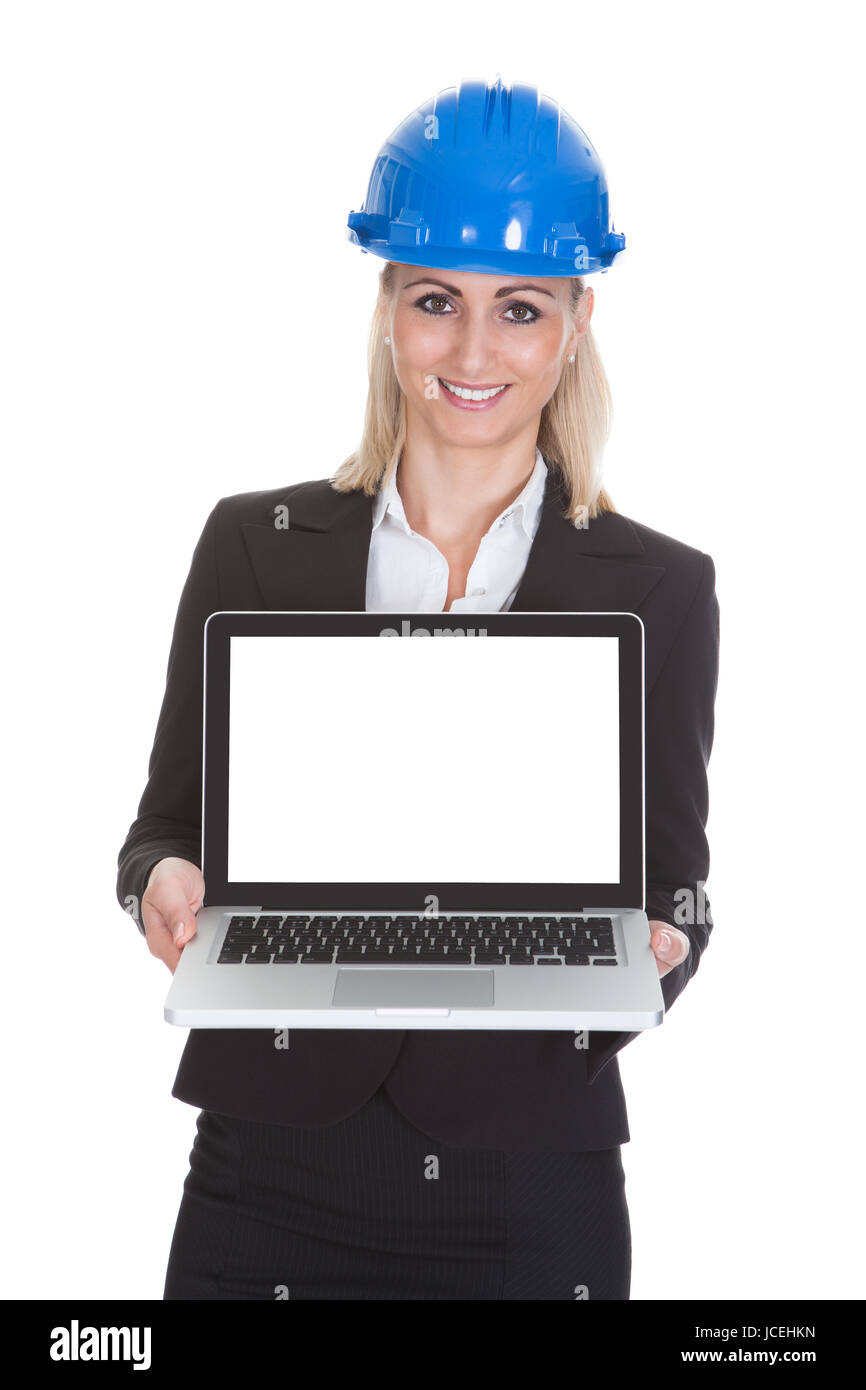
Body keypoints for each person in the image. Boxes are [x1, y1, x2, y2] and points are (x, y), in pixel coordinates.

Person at [116, 78, 719, 1301]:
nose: (473, 351)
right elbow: (163, 831)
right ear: (388, 308)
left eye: (520, 309)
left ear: (573, 325)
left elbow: (675, 883)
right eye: (436, 300)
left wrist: (659, 946)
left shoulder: (659, 586)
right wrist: (161, 884)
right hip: (265, 1170)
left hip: (527, 1187)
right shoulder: (254, 544)